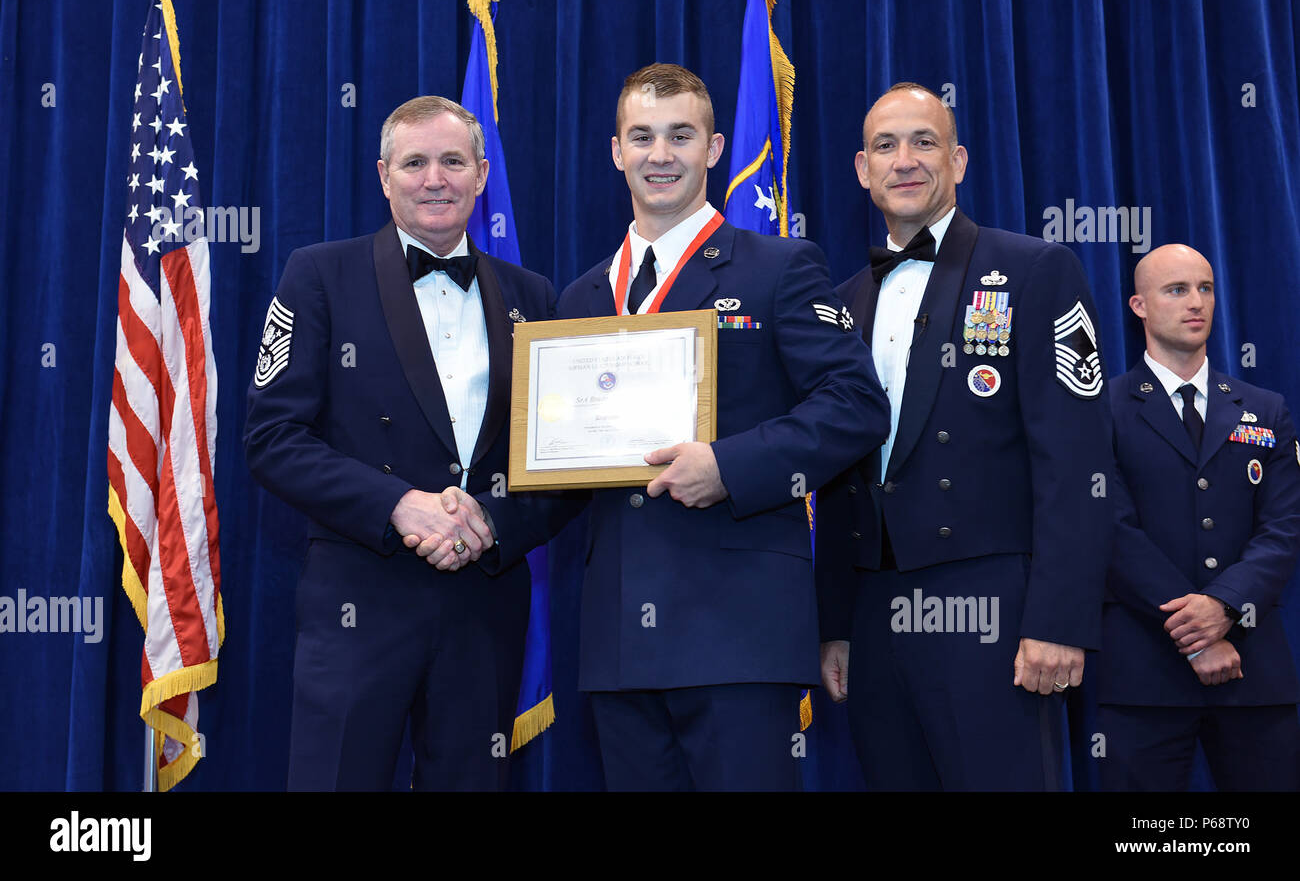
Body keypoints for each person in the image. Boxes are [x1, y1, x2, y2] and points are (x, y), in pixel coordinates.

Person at [471, 63, 889, 790]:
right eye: (642, 137)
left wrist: (727, 466)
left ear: (715, 148)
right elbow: (563, 472)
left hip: (738, 632)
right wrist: (476, 521)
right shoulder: (579, 296)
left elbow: (856, 403)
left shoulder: (780, 267)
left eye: (680, 136)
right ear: (615, 151)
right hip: (620, 642)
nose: (660, 154)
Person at [243, 95, 557, 790]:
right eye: (415, 162)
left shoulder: (533, 295)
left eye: (453, 161)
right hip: (360, 597)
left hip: (485, 601)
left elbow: (558, 461)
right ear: (384, 176)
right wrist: (397, 504)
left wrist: (493, 524)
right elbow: (271, 438)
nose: (434, 178)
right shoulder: (319, 275)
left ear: (482, 175)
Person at [815, 82, 1113, 789]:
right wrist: (835, 622)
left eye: (925, 141)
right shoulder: (842, 301)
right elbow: (834, 479)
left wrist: (1060, 619)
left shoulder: (1037, 271)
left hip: (995, 611)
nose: (905, 160)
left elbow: (1077, 465)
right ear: (862, 168)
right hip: (874, 613)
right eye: (886, 146)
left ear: (960, 160)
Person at [1096, 243, 1300, 790]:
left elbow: (1283, 529)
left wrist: (1226, 606)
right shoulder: (1102, 410)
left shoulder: (1265, 409)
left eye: (1205, 288)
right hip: (1143, 673)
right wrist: (1200, 635)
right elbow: (1111, 532)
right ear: (1139, 305)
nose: (1196, 303)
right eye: (1177, 290)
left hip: (1253, 670)